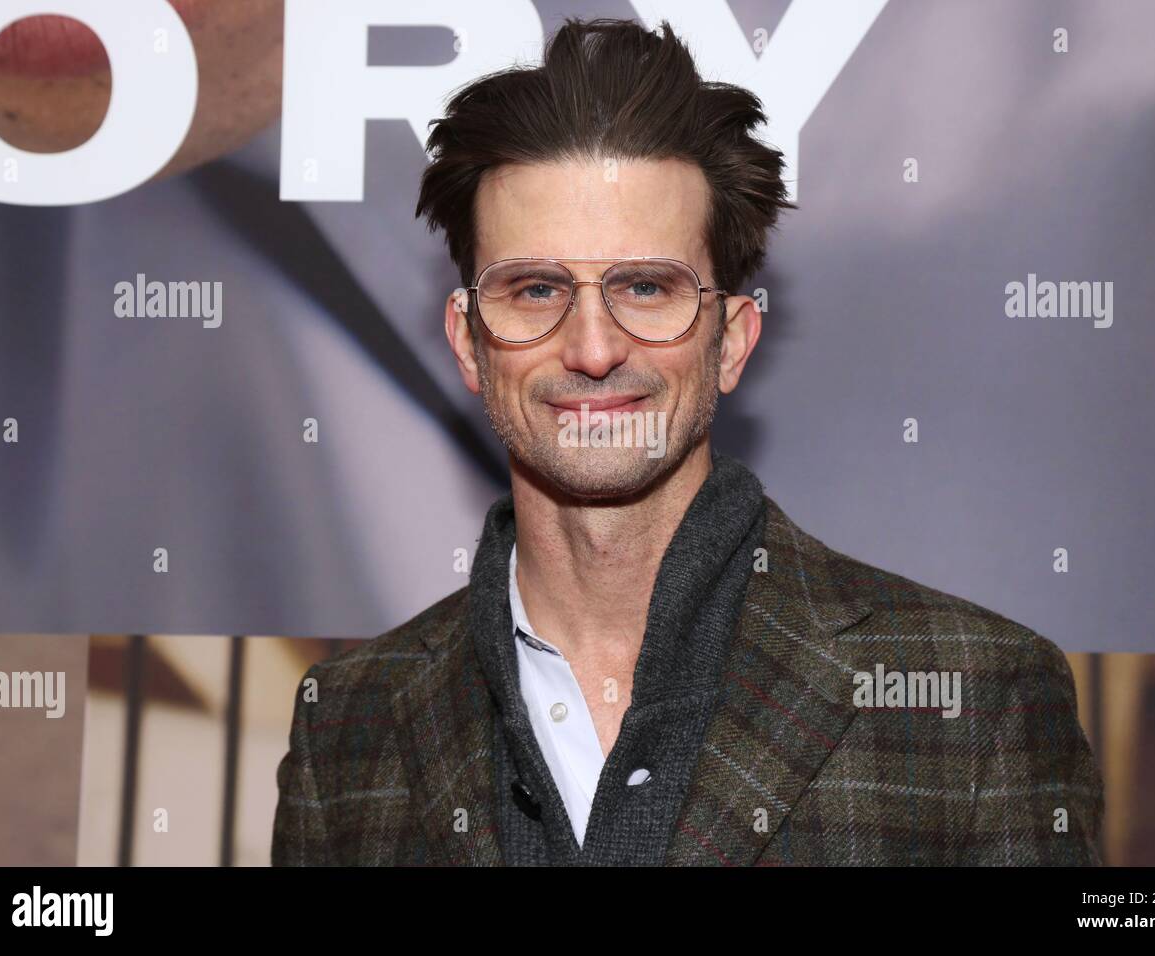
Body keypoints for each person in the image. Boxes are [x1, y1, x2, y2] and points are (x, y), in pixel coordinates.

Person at [271, 17, 1103, 866]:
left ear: (732, 341)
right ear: (467, 342)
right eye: (534, 289)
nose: (593, 348)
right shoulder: (346, 729)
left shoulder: (973, 700)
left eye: (645, 287)